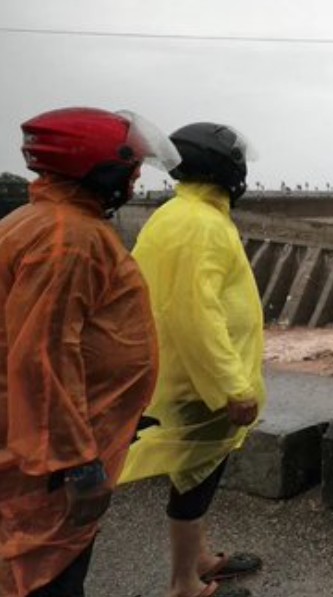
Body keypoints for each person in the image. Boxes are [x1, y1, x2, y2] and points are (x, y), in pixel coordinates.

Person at [0, 107, 179, 596]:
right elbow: (42, 357)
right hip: (48, 460)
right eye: (130, 166)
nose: (138, 175)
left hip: (48, 440)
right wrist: (77, 464)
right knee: (47, 575)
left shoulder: (40, 220)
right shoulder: (69, 240)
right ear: (97, 168)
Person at [120, 122, 265, 597]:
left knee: (196, 472)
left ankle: (198, 559)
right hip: (198, 381)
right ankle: (185, 582)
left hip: (179, 371)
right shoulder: (202, 224)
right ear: (226, 167)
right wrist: (232, 388)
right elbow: (196, 315)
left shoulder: (176, 213)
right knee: (194, 480)